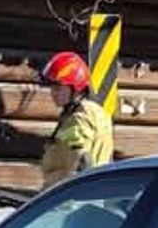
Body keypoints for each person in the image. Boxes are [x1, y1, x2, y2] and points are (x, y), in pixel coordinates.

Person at [39, 51, 114, 188]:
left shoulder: (80, 116)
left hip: (70, 199)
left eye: (58, 88)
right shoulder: (93, 111)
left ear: (75, 88)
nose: (52, 93)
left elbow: (81, 162)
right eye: (51, 87)